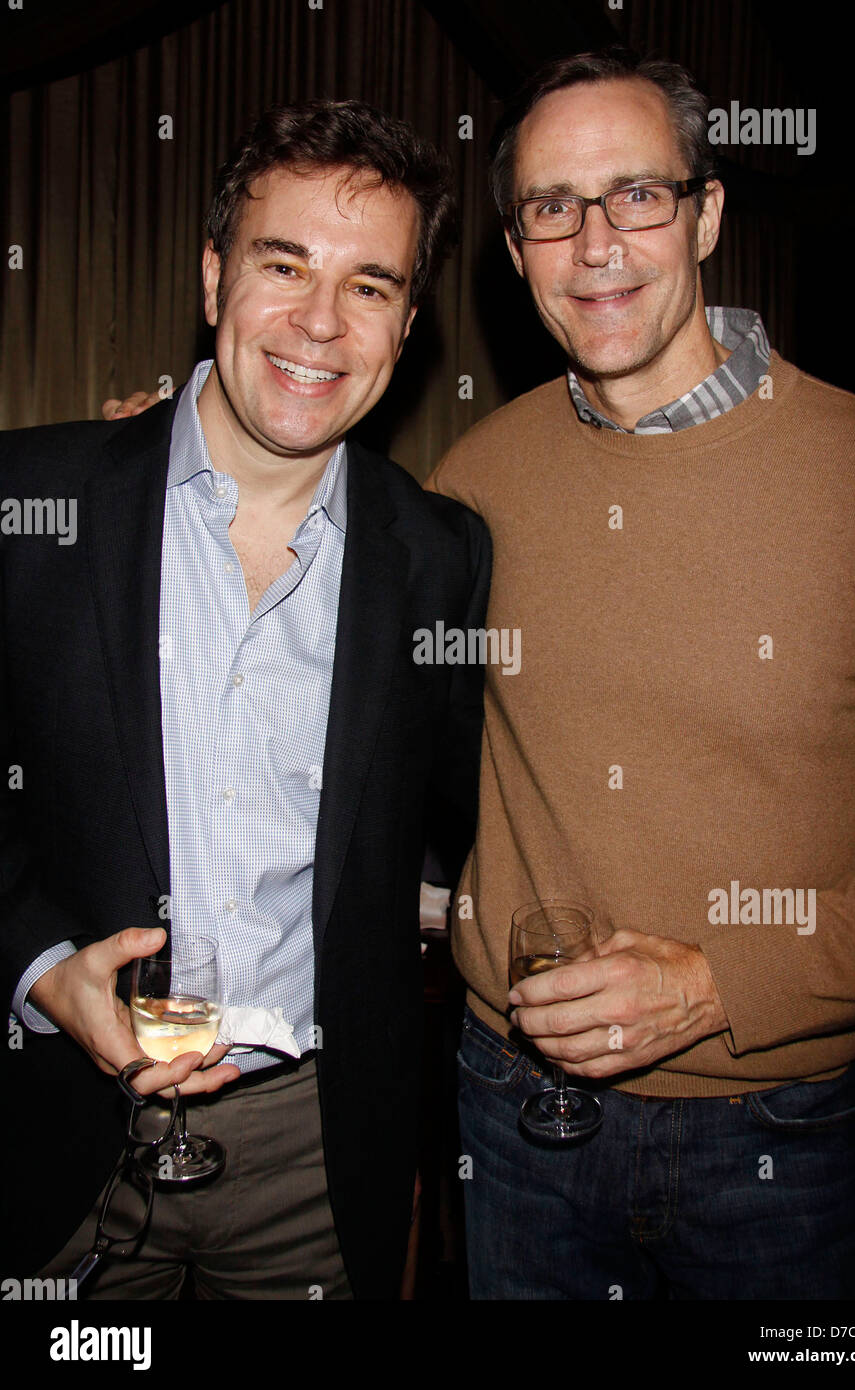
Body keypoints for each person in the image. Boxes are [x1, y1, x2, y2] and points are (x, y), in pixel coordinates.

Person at [422, 48, 855, 1299]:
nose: (595, 243)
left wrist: (717, 984)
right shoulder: (469, 489)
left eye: (636, 195)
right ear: (514, 247)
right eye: (553, 207)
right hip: (508, 1110)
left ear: (706, 213)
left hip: (778, 1140)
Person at [0, 99, 490, 1300]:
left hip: (309, 1159)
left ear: (409, 325)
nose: (321, 322)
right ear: (215, 275)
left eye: (370, 286)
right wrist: (39, 963)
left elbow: (450, 815)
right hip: (56, 1134)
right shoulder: (28, 503)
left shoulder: (441, 555)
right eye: (286, 265)